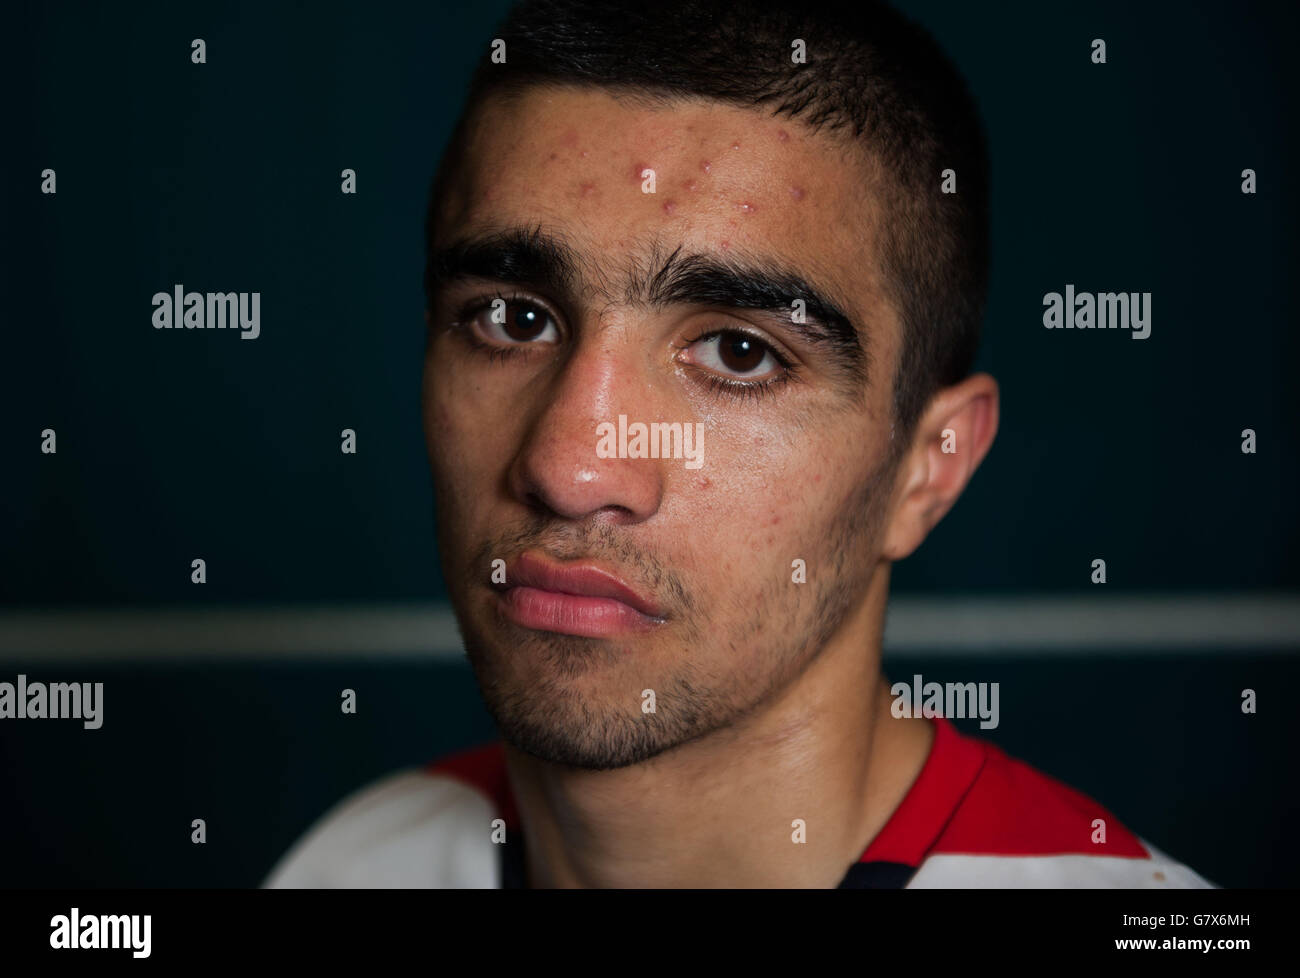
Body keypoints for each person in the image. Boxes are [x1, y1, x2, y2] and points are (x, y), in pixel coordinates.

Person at [267, 0, 1212, 888]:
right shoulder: (353, 864)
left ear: (930, 470)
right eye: (513, 320)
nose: (570, 467)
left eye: (738, 352)